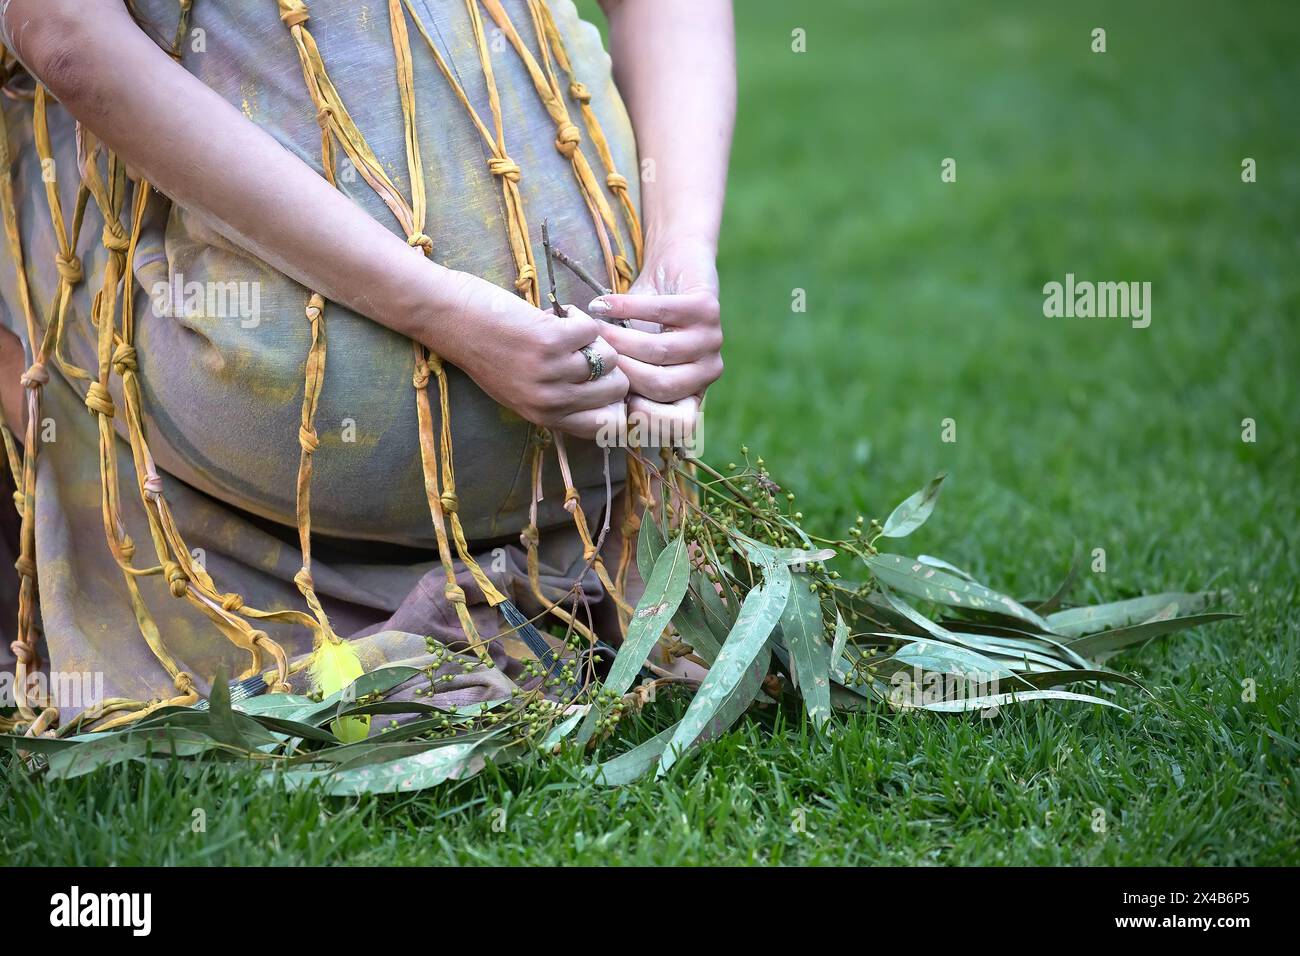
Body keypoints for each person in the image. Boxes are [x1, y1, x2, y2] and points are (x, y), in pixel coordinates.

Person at [0, 0, 734, 732]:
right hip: (568, 471)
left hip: (592, 475)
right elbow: (62, 41)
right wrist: (453, 317)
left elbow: (65, 35)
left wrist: (682, 253)